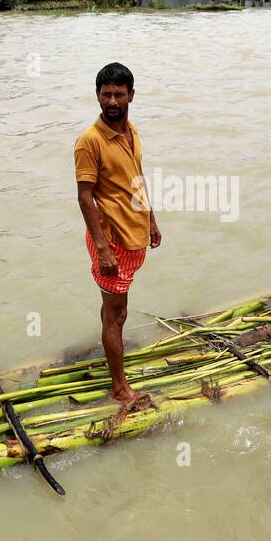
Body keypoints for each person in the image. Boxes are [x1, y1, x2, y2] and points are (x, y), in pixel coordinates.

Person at [75, 62, 162, 409]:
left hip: (134, 235)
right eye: (106, 94)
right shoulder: (89, 141)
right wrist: (101, 249)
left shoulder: (132, 132)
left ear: (131, 96)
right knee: (114, 315)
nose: (112, 101)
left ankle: (117, 372)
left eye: (119, 94)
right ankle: (119, 388)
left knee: (119, 312)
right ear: (97, 96)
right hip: (111, 240)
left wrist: (152, 220)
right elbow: (84, 196)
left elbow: (136, 178)